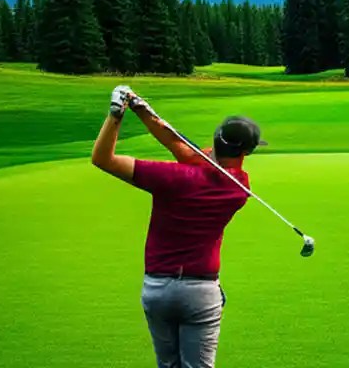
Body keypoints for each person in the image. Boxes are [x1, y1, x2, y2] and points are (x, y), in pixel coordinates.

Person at [91, 85, 267, 368]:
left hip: (157, 289)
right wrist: (146, 113)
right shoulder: (240, 189)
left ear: (213, 142)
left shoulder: (170, 176)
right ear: (246, 152)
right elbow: (188, 153)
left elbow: (103, 159)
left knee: (167, 366)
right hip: (201, 293)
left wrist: (119, 114)